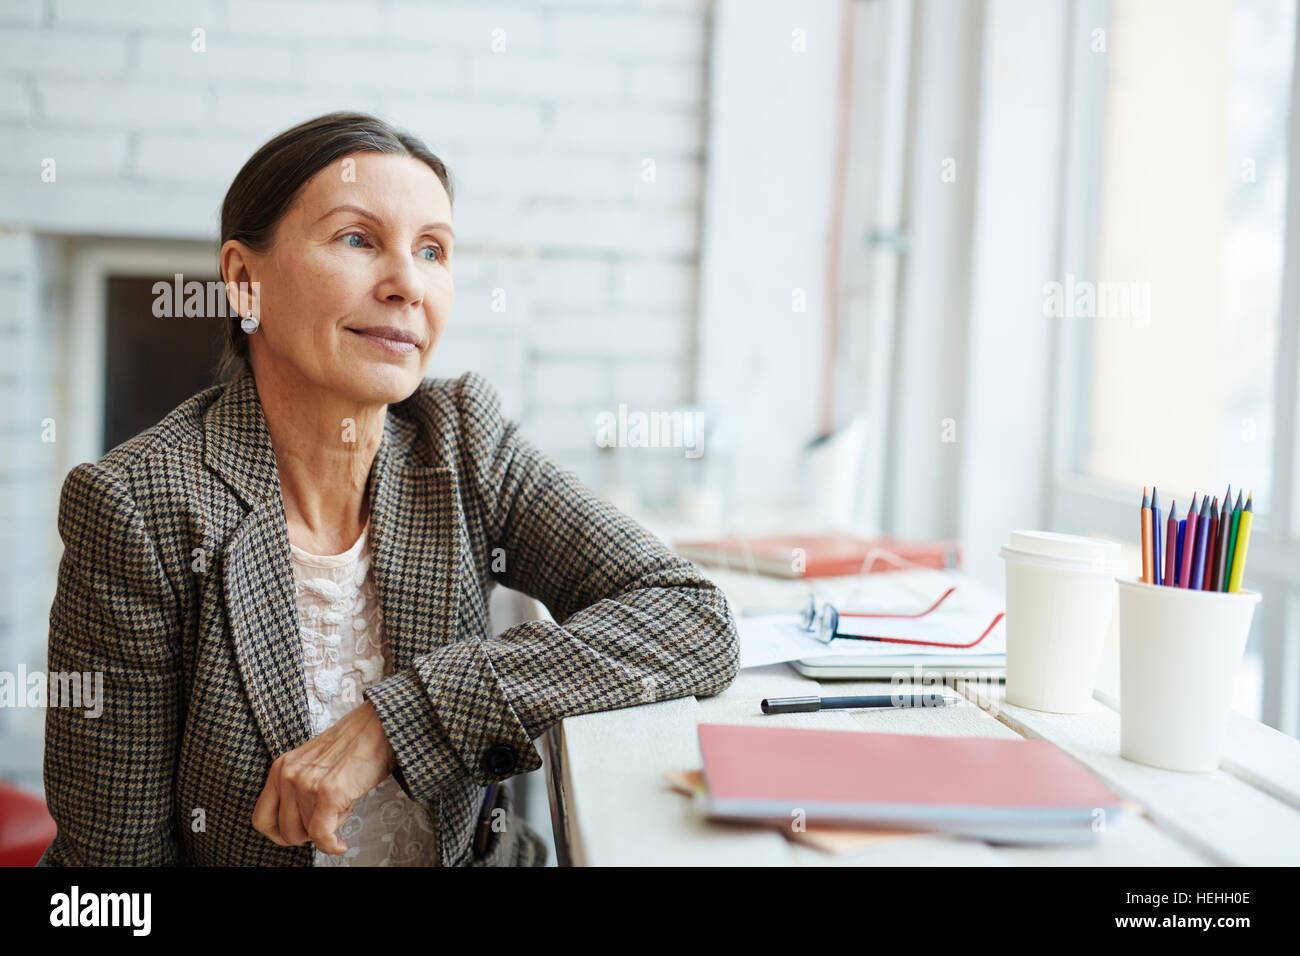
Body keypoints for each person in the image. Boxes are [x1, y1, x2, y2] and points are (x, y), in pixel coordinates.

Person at [38, 111, 739, 866]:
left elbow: (691, 616)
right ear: (245, 283)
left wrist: (400, 718)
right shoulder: (138, 506)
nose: (408, 283)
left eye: (433, 250)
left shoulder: (464, 441)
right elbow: (114, 873)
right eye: (357, 239)